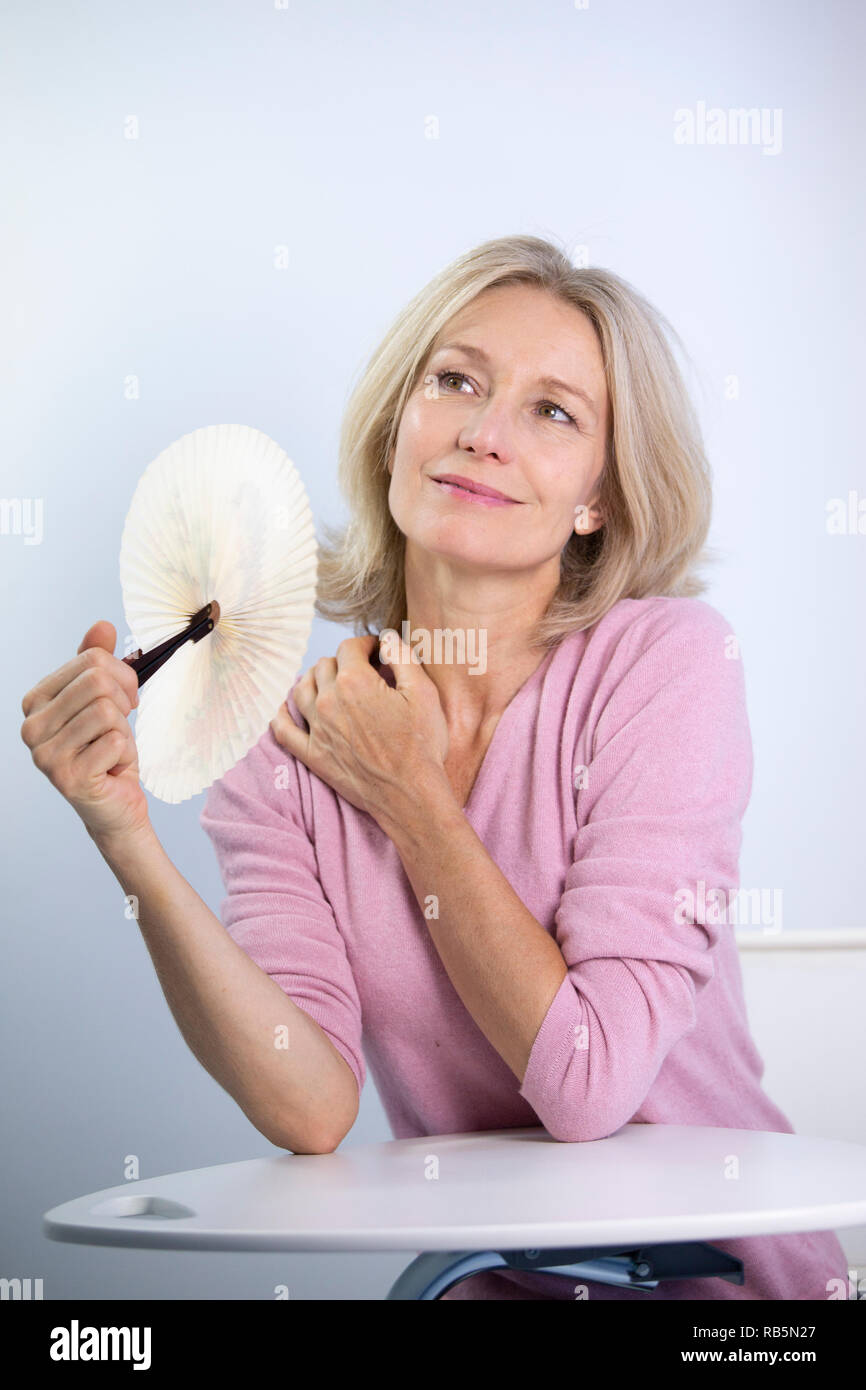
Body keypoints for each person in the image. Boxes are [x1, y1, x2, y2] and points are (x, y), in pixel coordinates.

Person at [20, 234, 850, 1301]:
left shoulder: (664, 666)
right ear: (395, 427)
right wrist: (124, 832)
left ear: (597, 496)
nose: (480, 433)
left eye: (551, 411)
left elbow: (586, 1082)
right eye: (453, 381)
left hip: (721, 1296)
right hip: (485, 1284)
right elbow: (308, 1102)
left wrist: (411, 798)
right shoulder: (289, 741)